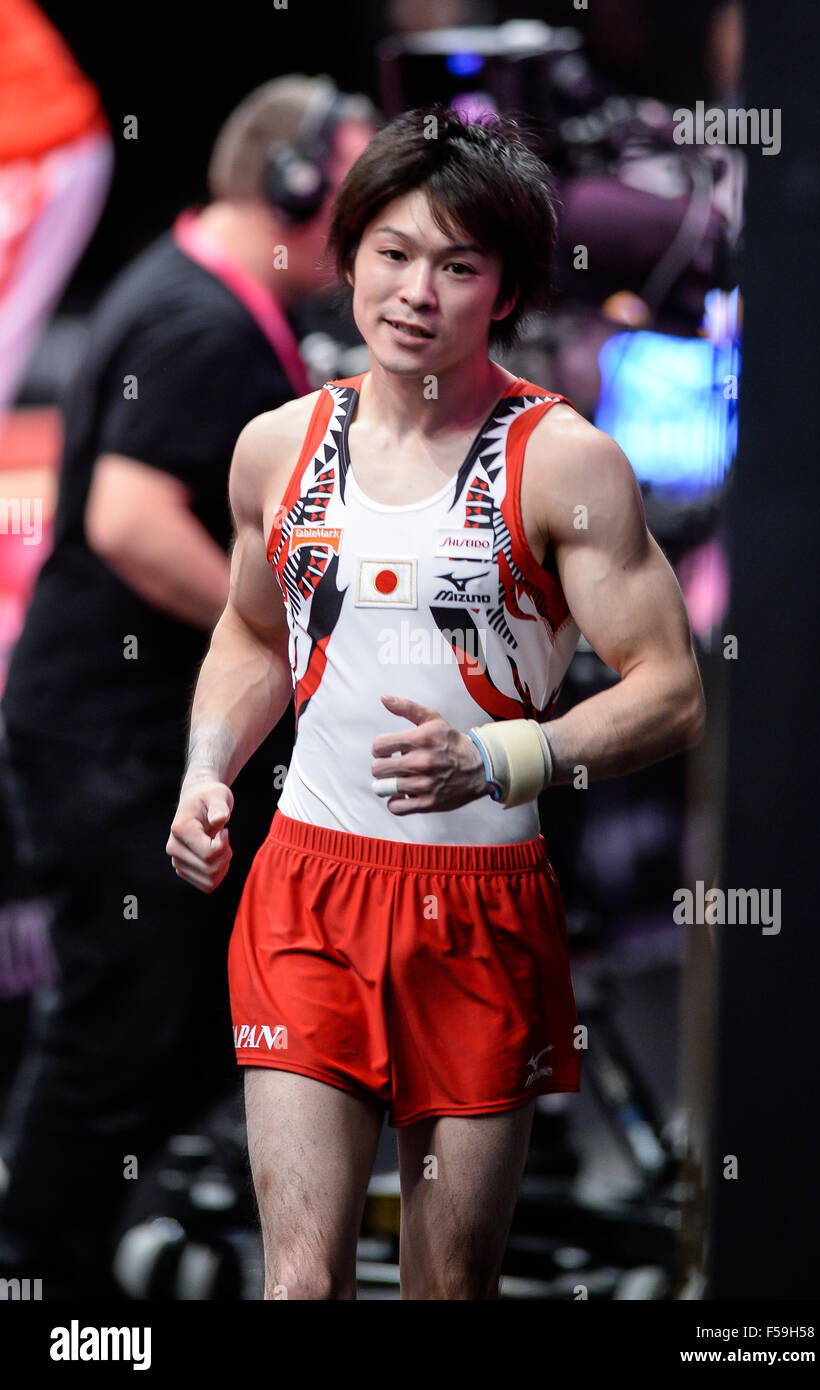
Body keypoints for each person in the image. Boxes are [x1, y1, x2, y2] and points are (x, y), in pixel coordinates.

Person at [167, 104, 706, 1301]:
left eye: (457, 266)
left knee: (442, 1290)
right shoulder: (276, 447)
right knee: (300, 1284)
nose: (416, 290)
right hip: (306, 882)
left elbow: (671, 694)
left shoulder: (564, 461)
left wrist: (506, 756)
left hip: (477, 910)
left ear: (503, 292)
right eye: (394, 254)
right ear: (348, 257)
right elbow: (256, 630)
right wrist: (209, 766)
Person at [0, 75, 375, 1299]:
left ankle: (109, 1257)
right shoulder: (202, 323)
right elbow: (123, 517)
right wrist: (290, 625)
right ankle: (42, 1283)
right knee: (119, 1031)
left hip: (113, 733)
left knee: (165, 1023)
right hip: (104, 742)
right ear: (293, 190)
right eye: (359, 207)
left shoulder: (195, 289)